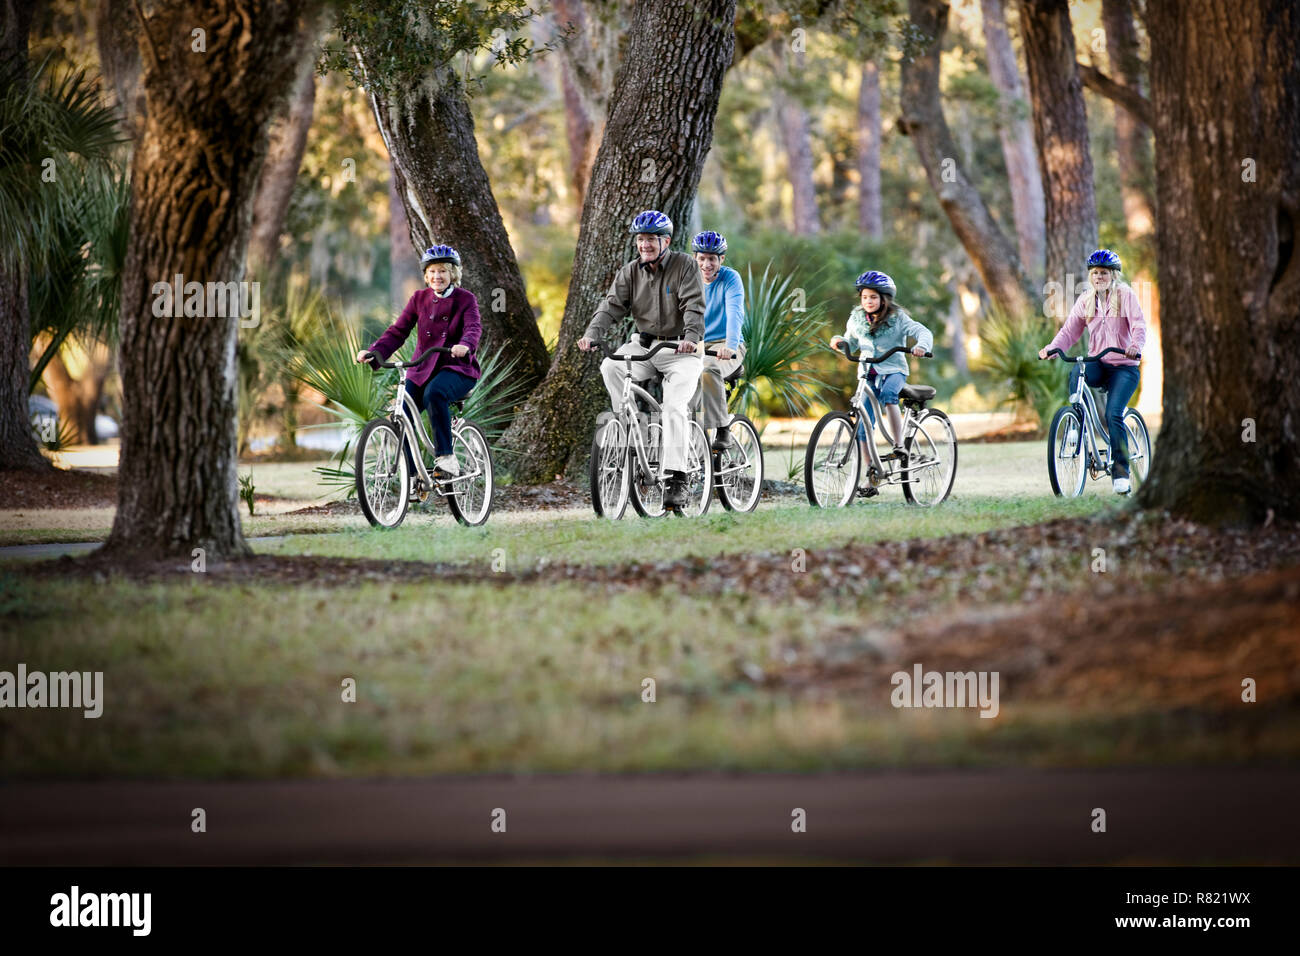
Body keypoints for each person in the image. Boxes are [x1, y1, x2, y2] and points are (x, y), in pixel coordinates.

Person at [578, 210, 706, 511]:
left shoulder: (685, 266)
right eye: (640, 239)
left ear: (666, 241)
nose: (644, 245)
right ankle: (628, 424)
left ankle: (677, 477)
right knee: (611, 365)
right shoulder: (630, 272)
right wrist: (591, 334)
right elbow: (610, 307)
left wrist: (691, 336)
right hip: (644, 345)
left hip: (680, 351)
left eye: (651, 239)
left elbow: (693, 306)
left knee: (674, 406)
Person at [355, 244, 481, 479]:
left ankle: (446, 458)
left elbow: (473, 327)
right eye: (432, 271)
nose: (437, 276)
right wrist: (375, 352)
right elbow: (398, 331)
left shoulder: (466, 299)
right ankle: (413, 477)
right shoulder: (419, 299)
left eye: (443, 271)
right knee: (402, 415)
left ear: (453, 273)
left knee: (435, 393)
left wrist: (466, 345)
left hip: (457, 368)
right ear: (426, 275)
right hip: (422, 368)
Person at [1038, 248, 1146, 494]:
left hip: (1124, 368)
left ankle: (1121, 473)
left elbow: (1139, 324)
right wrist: (1052, 349)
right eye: (1095, 273)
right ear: (1091, 276)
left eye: (1104, 273)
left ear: (1114, 275)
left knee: (1113, 414)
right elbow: (1069, 332)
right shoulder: (1086, 300)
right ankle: (1075, 425)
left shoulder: (1126, 295)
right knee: (1078, 371)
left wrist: (1134, 346)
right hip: (1099, 362)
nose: (1099, 277)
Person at [829, 270, 933, 495]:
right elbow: (852, 340)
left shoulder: (897, 317)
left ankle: (899, 446)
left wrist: (922, 346)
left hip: (893, 370)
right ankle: (872, 475)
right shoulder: (856, 317)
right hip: (867, 373)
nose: (868, 301)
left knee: (888, 395)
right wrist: (840, 341)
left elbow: (920, 330)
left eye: (873, 297)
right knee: (863, 425)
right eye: (865, 297)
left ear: (884, 299)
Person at [690, 230, 746, 452]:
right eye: (702, 258)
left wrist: (730, 346)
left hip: (727, 345)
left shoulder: (730, 278)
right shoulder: (688, 279)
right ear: (695, 258)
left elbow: (735, 314)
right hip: (697, 345)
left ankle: (722, 427)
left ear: (721, 259)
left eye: (712, 258)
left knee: (708, 368)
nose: (706, 264)